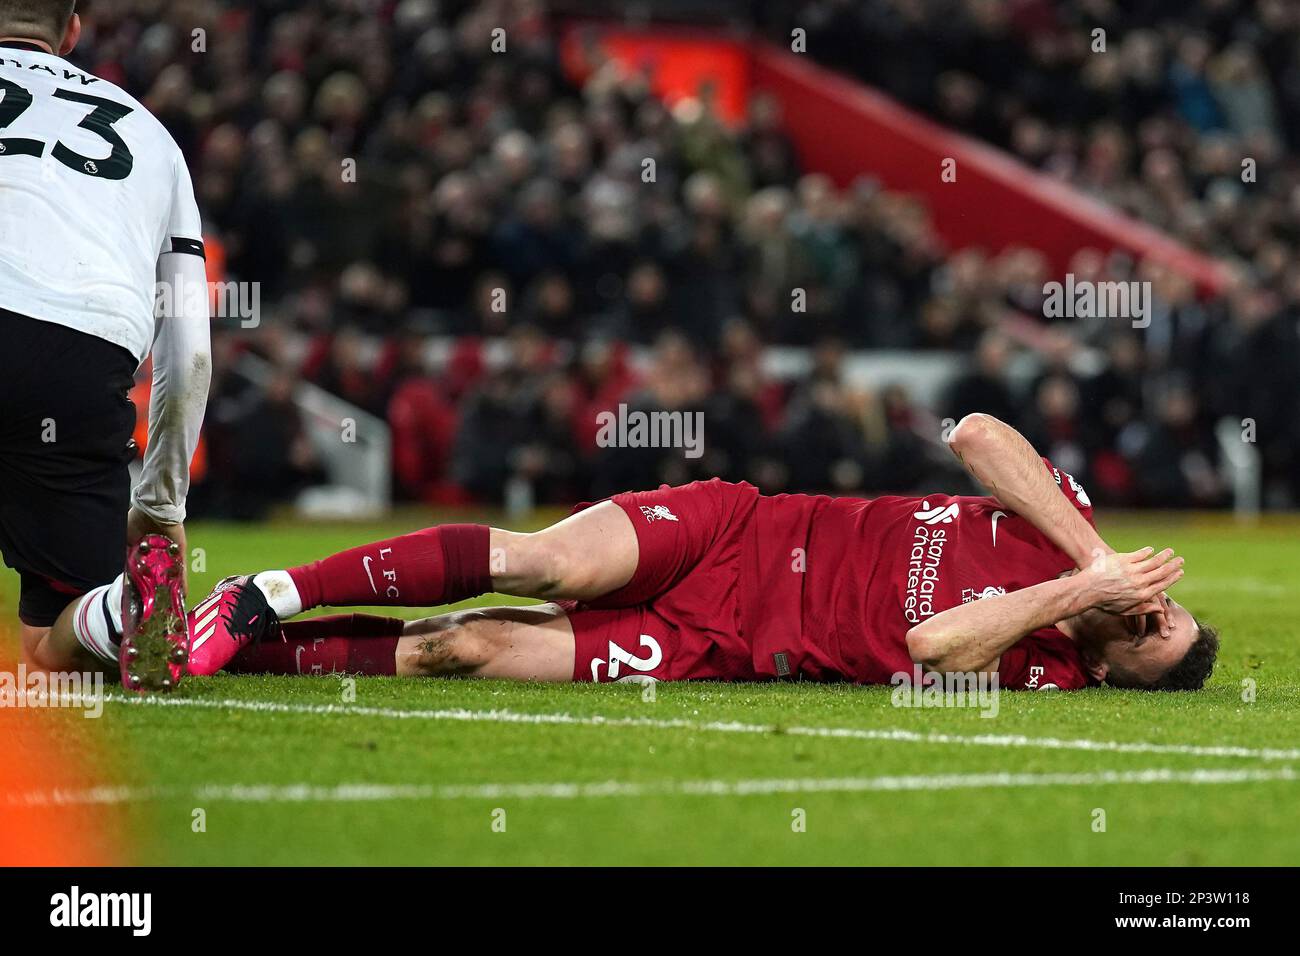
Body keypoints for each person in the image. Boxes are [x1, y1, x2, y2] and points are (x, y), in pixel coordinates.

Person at [188, 414, 1215, 692]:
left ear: (1113, 671)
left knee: (468, 649)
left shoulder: (1038, 662)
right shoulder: (1066, 522)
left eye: (1149, 639)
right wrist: (1090, 551)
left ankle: (235, 650)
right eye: (1165, 609)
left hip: (714, 638)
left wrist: (1077, 590)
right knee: (542, 564)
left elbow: (933, 643)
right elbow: (975, 433)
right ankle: (265, 590)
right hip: (743, 529)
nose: (1146, 611)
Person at [2, 1, 210, 691]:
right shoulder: (151, 136)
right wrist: (160, 507)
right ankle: (120, 613)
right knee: (51, 639)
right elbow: (191, 348)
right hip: (74, 350)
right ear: (72, 30)